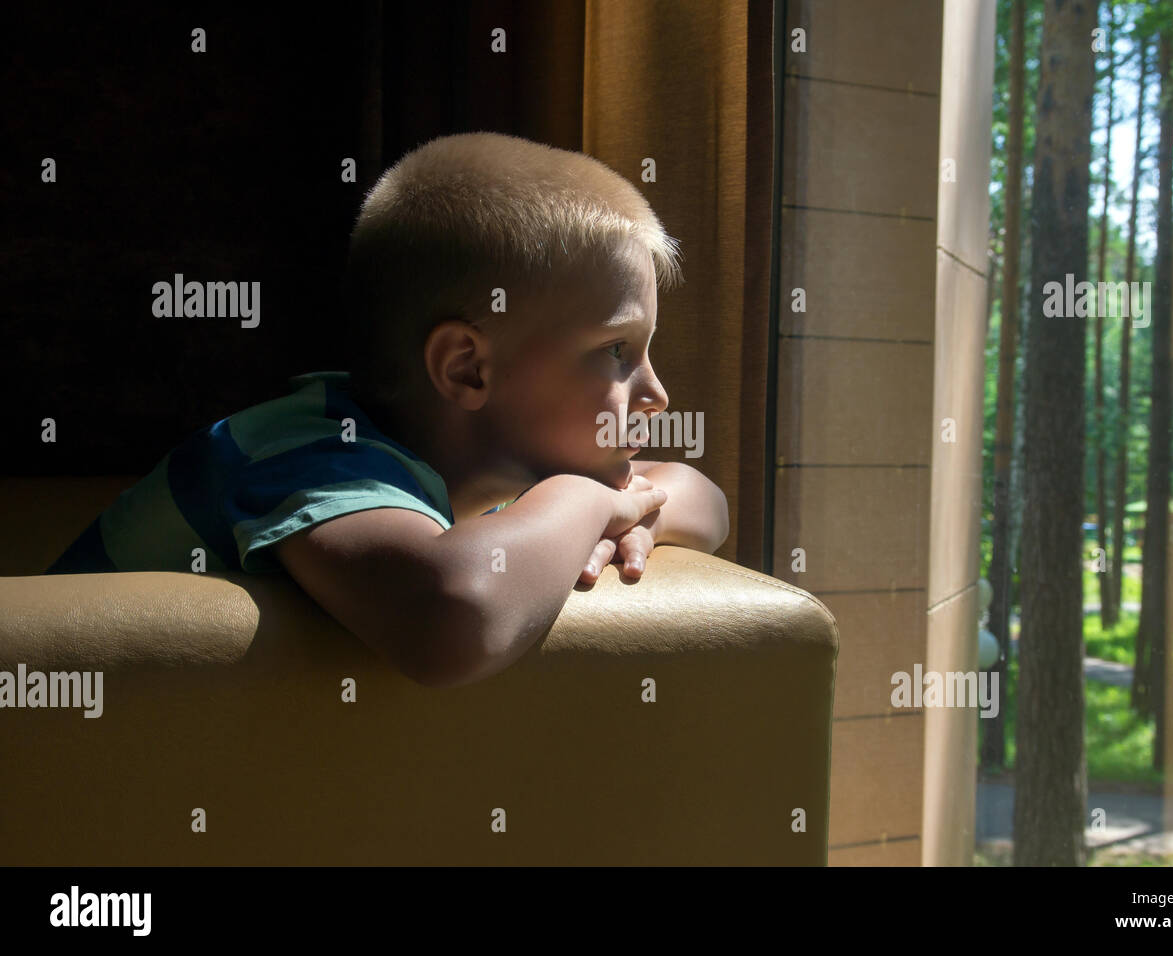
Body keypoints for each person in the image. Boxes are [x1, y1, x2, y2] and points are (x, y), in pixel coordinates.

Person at [46, 131, 730, 688]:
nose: (657, 393)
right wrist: (587, 504)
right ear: (466, 367)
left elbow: (707, 500)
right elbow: (451, 619)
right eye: (617, 349)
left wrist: (629, 515)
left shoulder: (487, 463)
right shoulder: (303, 455)